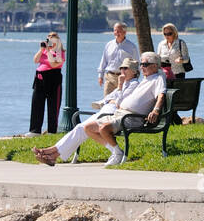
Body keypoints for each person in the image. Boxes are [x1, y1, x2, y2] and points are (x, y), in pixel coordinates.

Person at [34, 52, 166, 167]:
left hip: (128, 115)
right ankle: (53, 153)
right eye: (141, 64)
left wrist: (156, 110)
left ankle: (52, 154)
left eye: (145, 64)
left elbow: (161, 95)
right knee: (85, 127)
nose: (142, 67)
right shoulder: (145, 79)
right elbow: (116, 99)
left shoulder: (156, 78)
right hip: (118, 112)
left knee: (92, 127)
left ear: (155, 65)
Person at [29, 31, 65, 135]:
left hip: (54, 78)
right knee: (37, 104)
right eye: (48, 38)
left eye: (52, 39)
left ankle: (52, 130)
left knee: (53, 105)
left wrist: (49, 51)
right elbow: (35, 60)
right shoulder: (44, 51)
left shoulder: (59, 52)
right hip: (40, 78)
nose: (50, 41)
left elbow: (54, 64)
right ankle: (35, 130)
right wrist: (41, 50)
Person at [97, 22, 139, 96]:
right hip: (110, 77)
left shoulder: (131, 47)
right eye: (115, 30)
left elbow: (136, 63)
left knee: (121, 101)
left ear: (124, 32)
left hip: (125, 78)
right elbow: (104, 61)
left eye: (118, 31)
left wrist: (135, 79)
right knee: (107, 100)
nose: (116, 33)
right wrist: (100, 76)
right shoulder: (109, 45)